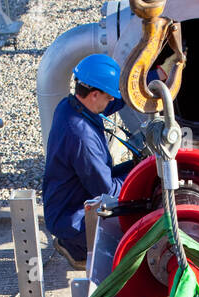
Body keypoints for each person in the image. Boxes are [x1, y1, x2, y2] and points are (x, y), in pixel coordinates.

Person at [42, 54, 136, 268]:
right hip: (72, 219)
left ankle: (75, 244)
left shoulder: (70, 105)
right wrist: (140, 176)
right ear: (94, 94)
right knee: (134, 227)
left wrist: (150, 79)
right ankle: (78, 249)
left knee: (133, 170)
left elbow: (112, 102)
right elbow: (107, 191)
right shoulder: (80, 137)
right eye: (109, 96)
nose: (112, 100)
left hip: (69, 199)